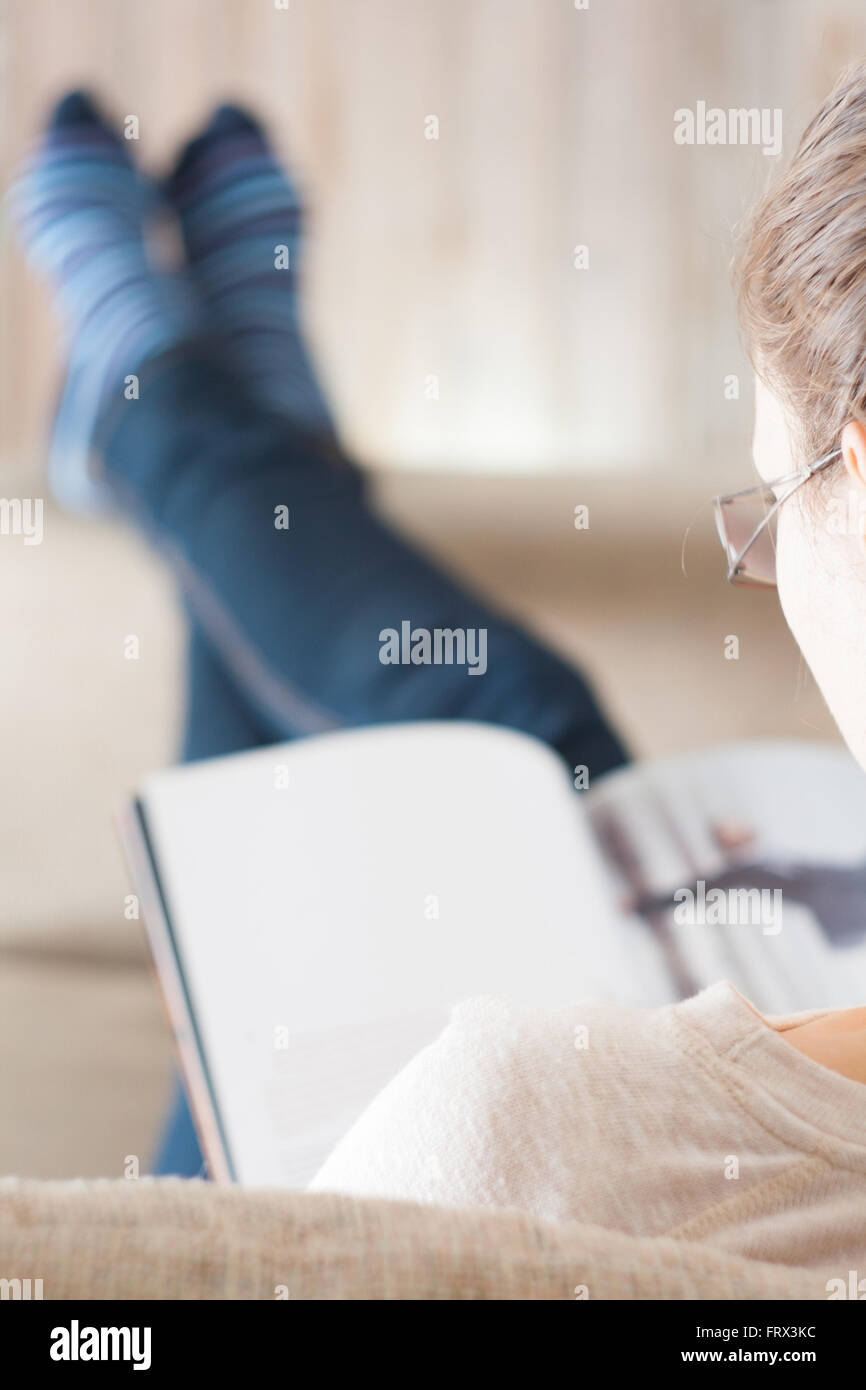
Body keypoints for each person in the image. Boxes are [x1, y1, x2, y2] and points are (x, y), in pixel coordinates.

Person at [12, 79, 866, 1270]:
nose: (768, 574)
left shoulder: (519, 1140)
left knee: (505, 716)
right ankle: (193, 401)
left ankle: (162, 397)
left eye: (774, 506)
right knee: (525, 740)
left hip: (293, 1194)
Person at [11, 92, 627, 1178]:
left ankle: (155, 385)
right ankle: (226, 396)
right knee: (314, 843)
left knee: (525, 732)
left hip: (259, 1240)